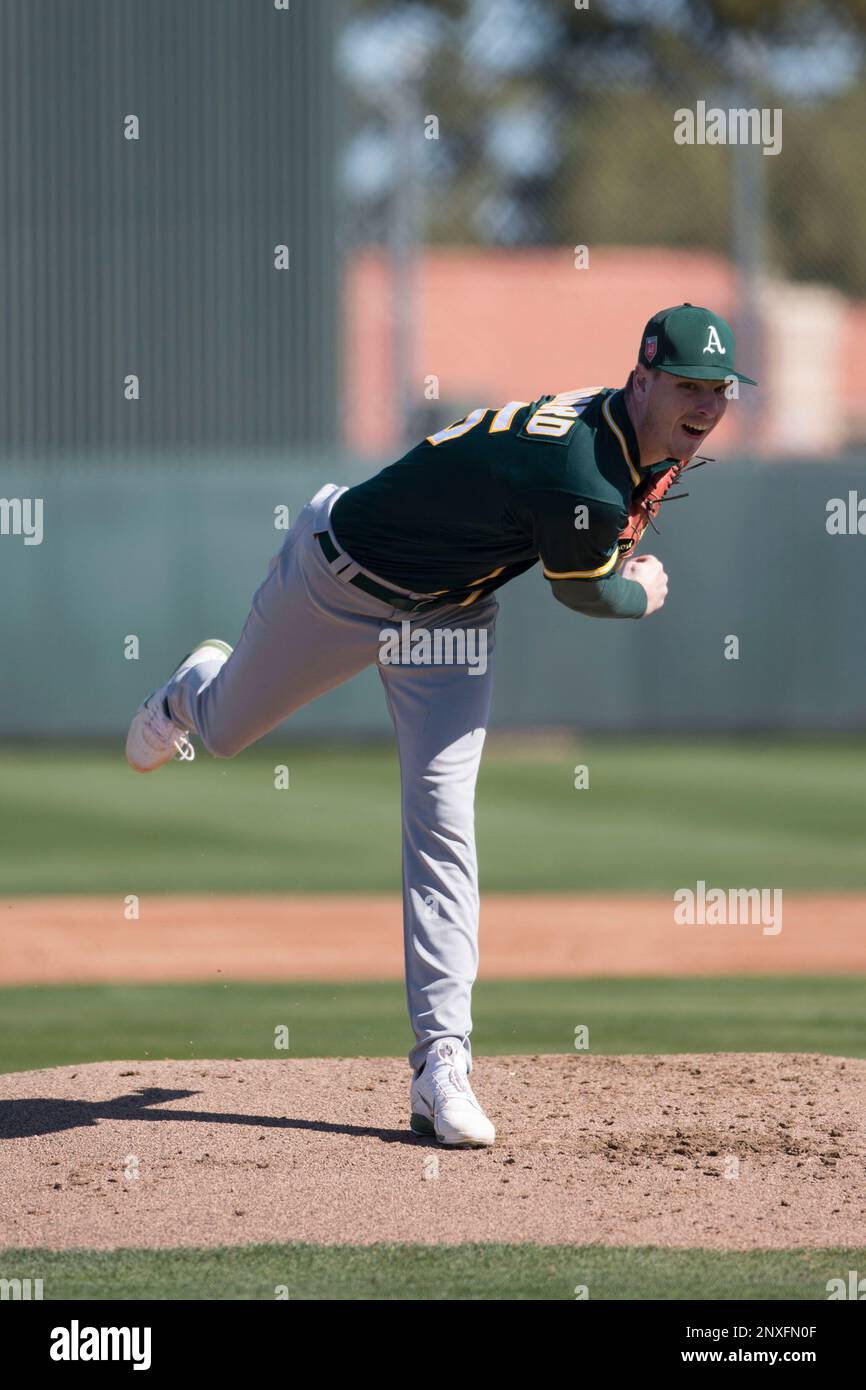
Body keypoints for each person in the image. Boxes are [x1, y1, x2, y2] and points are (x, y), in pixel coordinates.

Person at [126, 303, 756, 1147]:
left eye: (720, 389)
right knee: (229, 728)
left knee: (443, 819)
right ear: (641, 378)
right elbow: (584, 589)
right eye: (689, 386)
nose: (708, 405)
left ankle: (441, 1065)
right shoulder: (577, 467)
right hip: (339, 580)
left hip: (452, 616)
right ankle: (188, 693)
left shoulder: (635, 437)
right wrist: (641, 590)